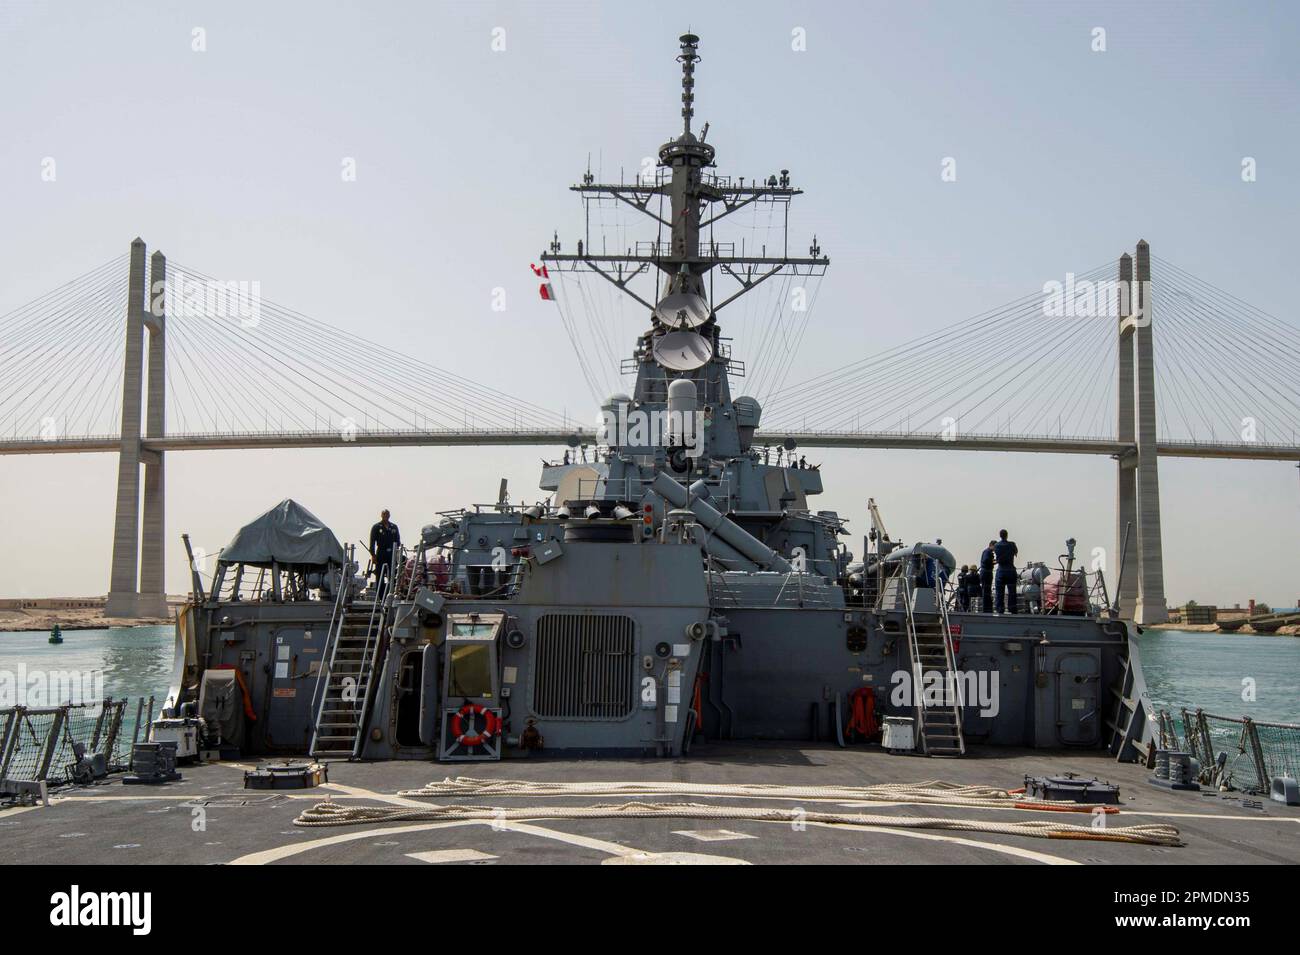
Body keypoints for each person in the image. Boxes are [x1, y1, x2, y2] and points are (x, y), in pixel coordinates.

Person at [368, 509, 401, 588]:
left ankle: (391, 592)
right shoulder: (376, 527)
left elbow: (398, 541)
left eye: (387, 514)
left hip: (391, 554)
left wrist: (396, 552)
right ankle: (380, 595)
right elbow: (372, 542)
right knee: (380, 574)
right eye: (384, 514)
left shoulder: (394, 527)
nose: (386, 516)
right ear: (381, 515)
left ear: (389, 516)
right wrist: (373, 555)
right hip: (381, 553)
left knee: (392, 574)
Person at [993, 528, 1019, 614]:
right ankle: (1012, 608)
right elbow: (1016, 553)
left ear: (1000, 535)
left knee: (999, 592)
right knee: (1012, 592)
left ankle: (1000, 609)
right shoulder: (1012, 544)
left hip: (1001, 570)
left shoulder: (996, 545)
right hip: (1010, 570)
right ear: (1007, 535)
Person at [979, 540, 995, 613]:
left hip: (986, 572)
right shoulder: (987, 552)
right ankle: (986, 609)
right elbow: (986, 561)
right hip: (986, 573)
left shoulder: (988, 552)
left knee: (987, 590)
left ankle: (988, 607)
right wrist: (994, 561)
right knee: (986, 591)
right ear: (991, 545)